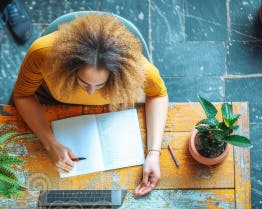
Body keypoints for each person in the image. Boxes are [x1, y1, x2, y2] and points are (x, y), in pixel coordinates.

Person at [11, 13, 169, 197]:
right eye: (83, 82)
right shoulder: (42, 52)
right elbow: (22, 95)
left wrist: (153, 154)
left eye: (100, 85)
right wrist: (50, 143)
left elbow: (158, 95)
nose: (91, 92)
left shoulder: (138, 66)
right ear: (69, 67)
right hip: (49, 100)